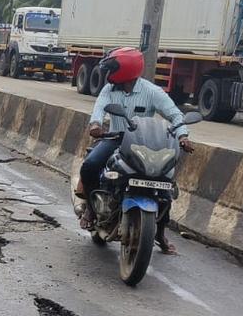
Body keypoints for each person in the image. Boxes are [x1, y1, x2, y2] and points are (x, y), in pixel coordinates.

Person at [76, 47, 194, 253]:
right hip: (114, 139)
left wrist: (183, 135)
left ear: (126, 70)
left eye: (113, 69)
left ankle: (160, 234)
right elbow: (98, 111)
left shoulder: (152, 92)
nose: (108, 73)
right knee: (90, 165)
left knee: (165, 185)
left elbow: (175, 116)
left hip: (144, 142)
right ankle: (91, 210)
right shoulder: (108, 90)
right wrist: (95, 125)